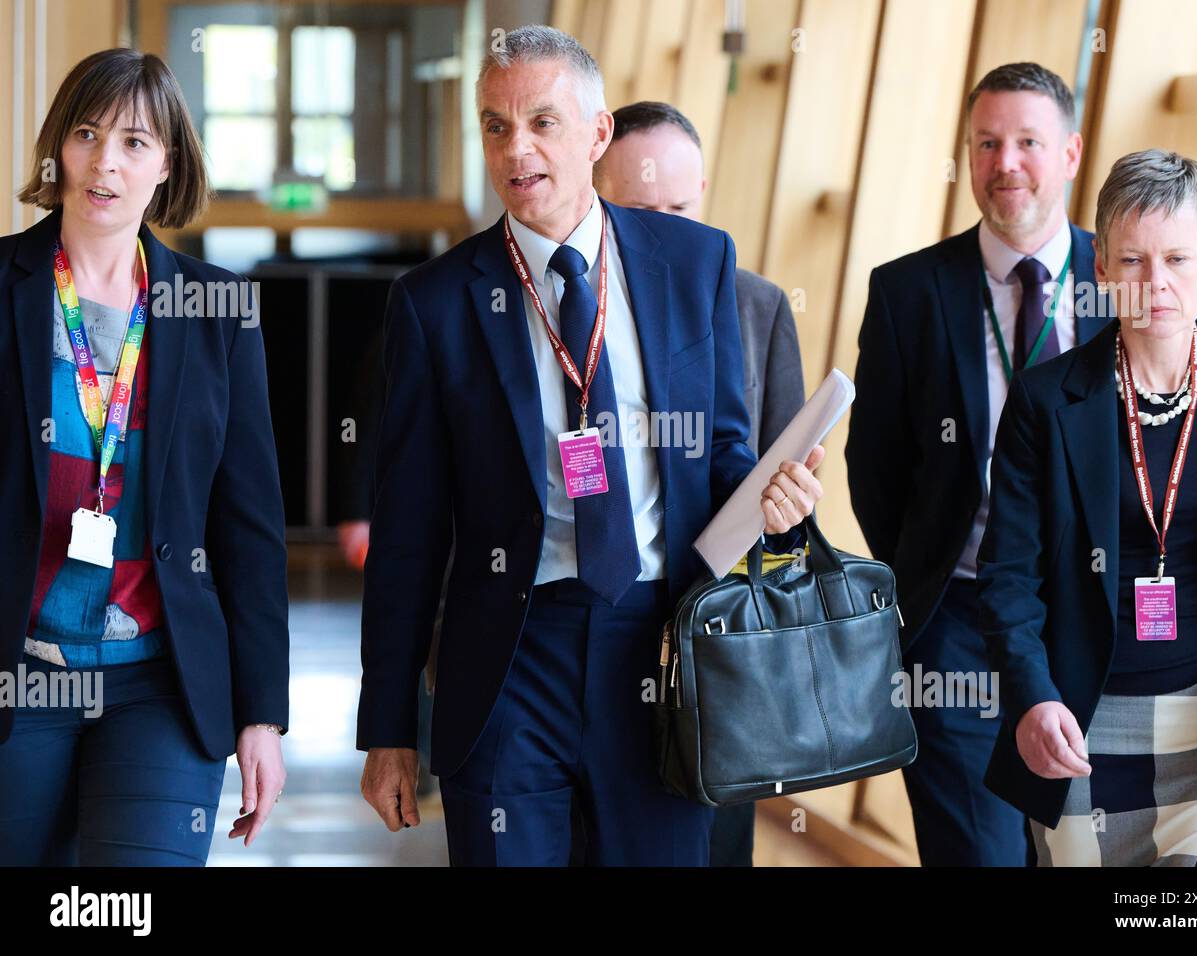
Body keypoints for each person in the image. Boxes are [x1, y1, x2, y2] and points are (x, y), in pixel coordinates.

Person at [356, 25, 824, 867]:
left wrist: (774, 505)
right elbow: (407, 534)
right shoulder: (434, 303)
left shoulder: (695, 263)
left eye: (542, 121)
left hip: (659, 643)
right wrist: (390, 729)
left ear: (598, 134)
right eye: (496, 126)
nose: (517, 148)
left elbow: (719, 452)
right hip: (508, 656)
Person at [0, 49, 290, 865]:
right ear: (58, 145)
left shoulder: (214, 310)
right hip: (21, 674)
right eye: (87, 134)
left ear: (166, 165)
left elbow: (251, 524)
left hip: (160, 683)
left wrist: (261, 714)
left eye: (134, 142)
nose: (105, 162)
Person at [978, 149, 1197, 866]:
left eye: (1178, 259)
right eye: (1131, 261)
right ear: (1100, 266)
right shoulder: (1043, 400)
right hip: (1082, 724)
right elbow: (1008, 580)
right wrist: (1031, 698)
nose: (1155, 285)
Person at [845, 62, 1108, 866]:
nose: (1006, 164)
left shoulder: (1127, 280)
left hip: (1095, 619)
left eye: (1028, 141)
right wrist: (925, 568)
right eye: (987, 144)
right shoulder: (908, 292)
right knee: (979, 850)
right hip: (955, 626)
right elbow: (875, 467)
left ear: (1069, 153)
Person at [592, 99, 805, 866]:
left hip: (714, 651)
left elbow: (778, 493)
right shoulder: (562, 300)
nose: (664, 231)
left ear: (705, 192)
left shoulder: (758, 306)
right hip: (586, 632)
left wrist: (788, 512)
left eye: (680, 209)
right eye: (639, 210)